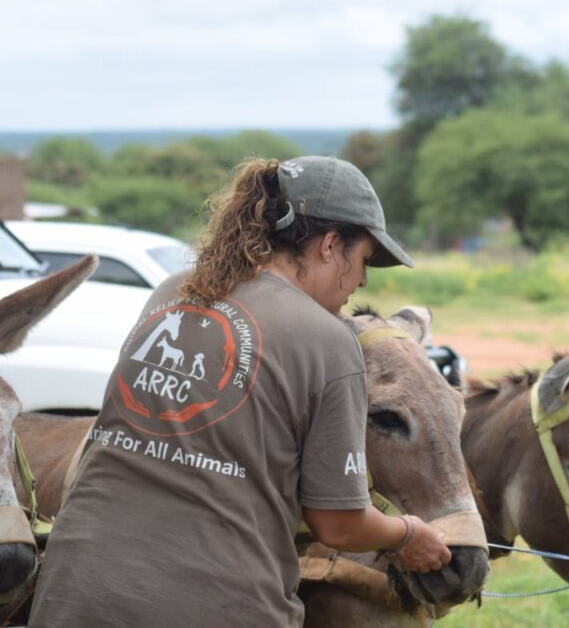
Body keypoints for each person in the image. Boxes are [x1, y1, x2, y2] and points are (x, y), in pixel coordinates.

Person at [28, 156, 452, 628]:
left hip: (72, 596)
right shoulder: (329, 341)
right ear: (331, 245)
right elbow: (339, 524)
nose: (363, 281)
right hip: (214, 608)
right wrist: (408, 535)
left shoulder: (173, 292)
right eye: (365, 260)